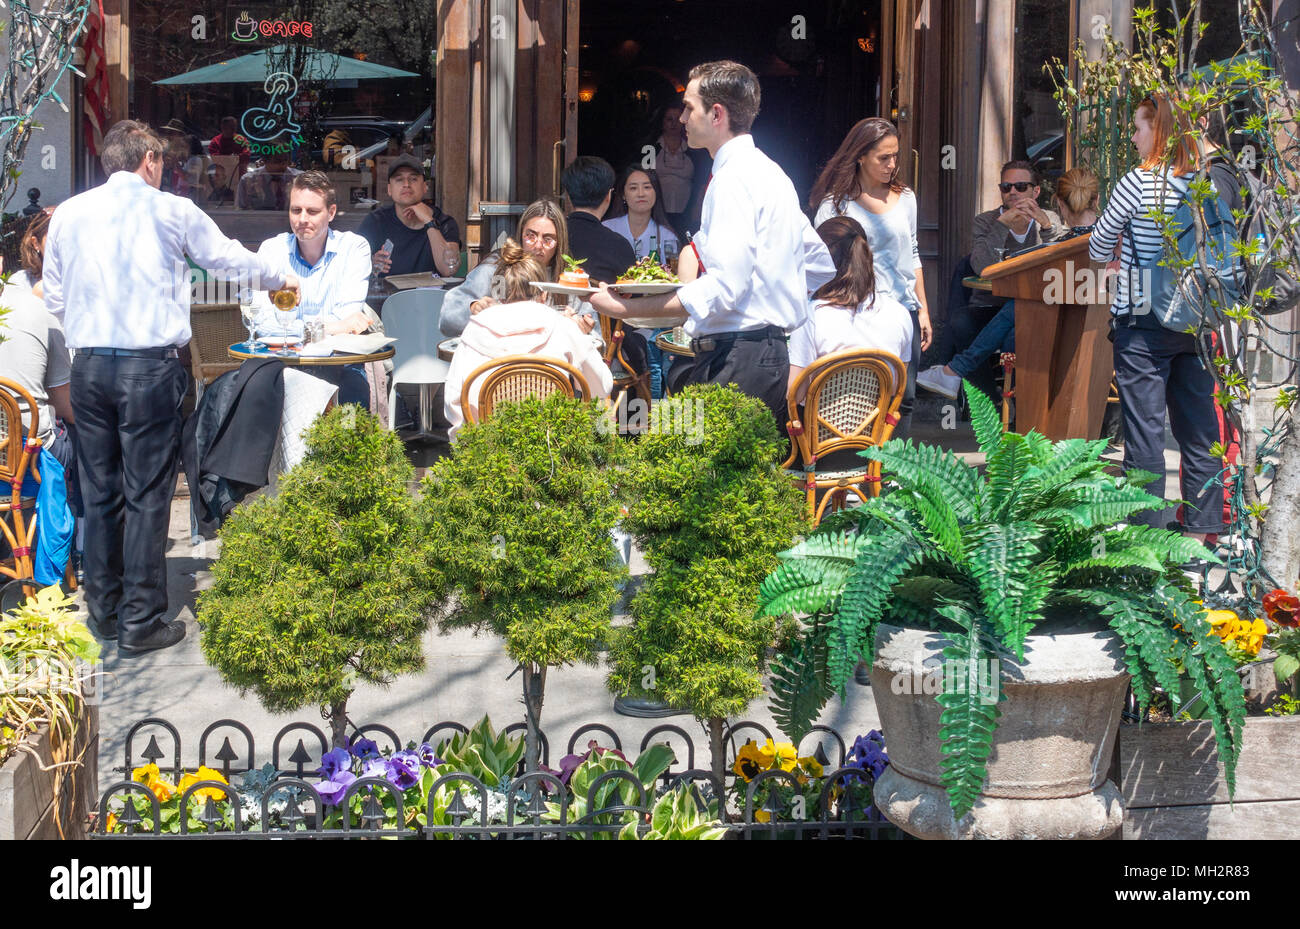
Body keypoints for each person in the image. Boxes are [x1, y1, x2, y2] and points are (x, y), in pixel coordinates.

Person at [43, 119, 299, 655]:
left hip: (88, 367)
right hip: (147, 369)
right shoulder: (171, 209)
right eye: (162, 162)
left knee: (101, 490)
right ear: (150, 161)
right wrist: (280, 277)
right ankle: (139, 621)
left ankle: (107, 613)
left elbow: (56, 298)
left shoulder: (67, 213)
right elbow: (227, 260)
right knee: (146, 494)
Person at [591, 60, 835, 432]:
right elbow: (819, 264)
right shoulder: (773, 173)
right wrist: (771, 296)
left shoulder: (733, 180)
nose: (682, 118)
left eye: (689, 107)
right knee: (743, 483)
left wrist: (625, 307)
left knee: (699, 479)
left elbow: (724, 288)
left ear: (716, 113)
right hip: (765, 355)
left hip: (736, 358)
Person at [1088, 95, 1225, 541]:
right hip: (1196, 318)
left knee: (1145, 435)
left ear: (1160, 131)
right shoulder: (1203, 183)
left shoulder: (1138, 182)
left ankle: (1145, 538)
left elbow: (1096, 246)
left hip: (1144, 319)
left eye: (1139, 128)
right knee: (1200, 431)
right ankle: (1199, 538)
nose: (1132, 136)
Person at [917, 166, 1096, 399]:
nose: (1013, 192)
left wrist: (1046, 226)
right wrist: (1001, 226)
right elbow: (982, 267)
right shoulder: (986, 221)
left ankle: (972, 384)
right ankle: (988, 403)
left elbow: (1059, 265)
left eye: (1021, 187)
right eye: (1006, 187)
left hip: (1037, 305)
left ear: (1036, 192)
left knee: (1016, 328)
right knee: (962, 323)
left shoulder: (1050, 219)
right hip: (995, 302)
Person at [811, 118, 933, 438]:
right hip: (855, 311)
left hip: (902, 308)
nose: (892, 165)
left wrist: (923, 309)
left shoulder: (905, 197)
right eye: (884, 157)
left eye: (896, 156)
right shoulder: (835, 204)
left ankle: (896, 473)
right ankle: (860, 467)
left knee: (905, 397)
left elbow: (914, 253)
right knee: (859, 393)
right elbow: (822, 262)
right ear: (860, 156)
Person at [443, 239, 613, 440]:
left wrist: (467, 440)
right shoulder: (562, 325)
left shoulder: (475, 329)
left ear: (500, 292)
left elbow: (453, 401)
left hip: (489, 446)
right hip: (551, 444)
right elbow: (601, 385)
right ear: (544, 294)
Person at [250, 171, 374, 408]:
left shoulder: (354, 248)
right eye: (296, 210)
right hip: (284, 363)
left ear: (332, 212)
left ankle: (345, 445)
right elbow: (263, 323)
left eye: (312, 211)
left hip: (339, 363)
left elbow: (350, 321)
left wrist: (295, 328)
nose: (302, 219)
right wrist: (333, 326)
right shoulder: (272, 250)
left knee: (352, 412)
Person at [788, 216, 914, 400]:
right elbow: (896, 387)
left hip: (815, 427)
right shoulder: (900, 314)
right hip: (876, 427)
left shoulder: (811, 315)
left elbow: (795, 394)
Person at [441, 198, 593, 339]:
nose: (538, 245)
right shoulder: (496, 268)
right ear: (520, 234)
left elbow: (597, 339)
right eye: (531, 236)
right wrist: (473, 308)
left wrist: (583, 330)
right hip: (500, 362)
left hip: (555, 364)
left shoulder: (572, 279)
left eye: (548, 240)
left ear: (559, 242)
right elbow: (448, 318)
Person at [603, 165, 681, 398]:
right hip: (615, 314)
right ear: (623, 195)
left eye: (647, 187)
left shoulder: (667, 235)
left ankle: (658, 407)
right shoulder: (608, 229)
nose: (641, 193)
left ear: (656, 193)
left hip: (655, 316)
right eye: (633, 188)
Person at [358, 154, 461, 279]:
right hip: (388, 298)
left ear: (425, 187)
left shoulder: (445, 223)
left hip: (430, 297)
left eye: (413, 179)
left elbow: (449, 269)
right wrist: (371, 264)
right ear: (389, 189)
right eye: (399, 179)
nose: (406, 184)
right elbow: (353, 268)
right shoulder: (375, 222)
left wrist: (429, 222)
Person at [562, 156, 636, 286]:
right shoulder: (619, 245)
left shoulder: (553, 237)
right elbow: (634, 296)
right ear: (608, 195)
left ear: (568, 195)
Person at [653, 103, 695, 234]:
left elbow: (701, 181)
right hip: (656, 213)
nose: (673, 124)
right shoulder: (650, 148)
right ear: (662, 122)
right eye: (669, 119)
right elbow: (643, 177)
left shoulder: (694, 150)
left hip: (686, 213)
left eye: (677, 119)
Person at [236, 150, 301, 211]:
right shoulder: (248, 180)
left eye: (285, 161)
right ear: (265, 161)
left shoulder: (299, 179)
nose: (282, 165)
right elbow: (240, 209)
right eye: (277, 161)